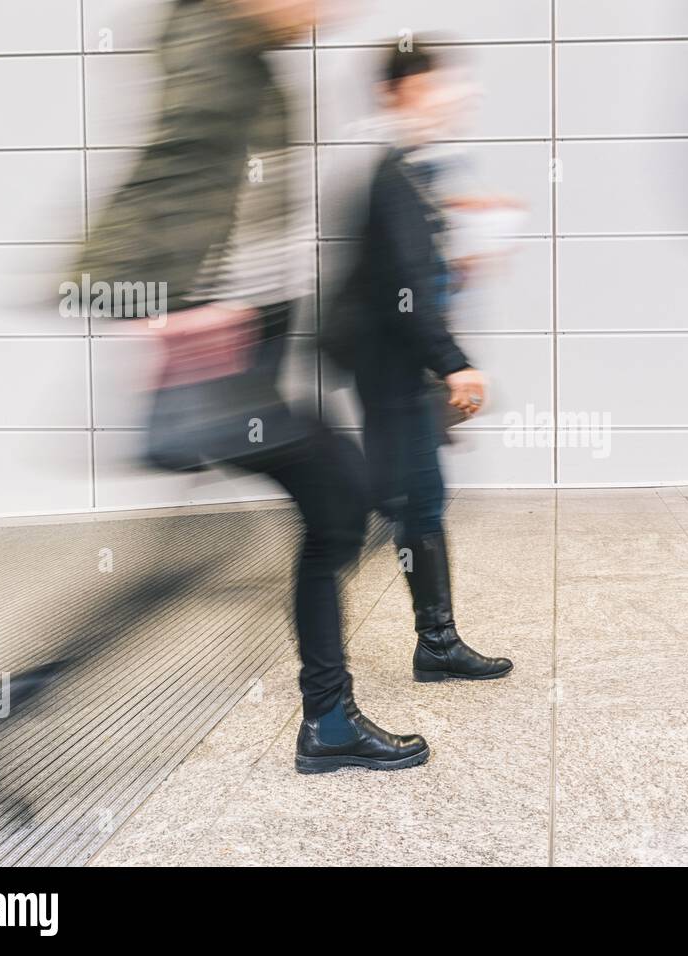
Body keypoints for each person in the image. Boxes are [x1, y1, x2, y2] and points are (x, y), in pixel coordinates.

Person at [77, 0, 429, 773]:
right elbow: (170, 170)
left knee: (223, 547)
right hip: (216, 361)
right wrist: (150, 308)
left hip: (241, 358)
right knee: (340, 501)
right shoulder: (216, 51)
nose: (324, 12)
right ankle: (327, 721)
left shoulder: (245, 57)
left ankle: (326, 718)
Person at [323, 41, 513, 683]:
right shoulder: (394, 174)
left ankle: (436, 639)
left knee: (416, 498)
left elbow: (412, 275)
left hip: (393, 364)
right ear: (402, 94)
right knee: (416, 500)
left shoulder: (412, 173)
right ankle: (435, 642)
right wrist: (454, 361)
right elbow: (402, 286)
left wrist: (460, 255)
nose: (461, 97)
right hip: (390, 363)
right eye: (443, 86)